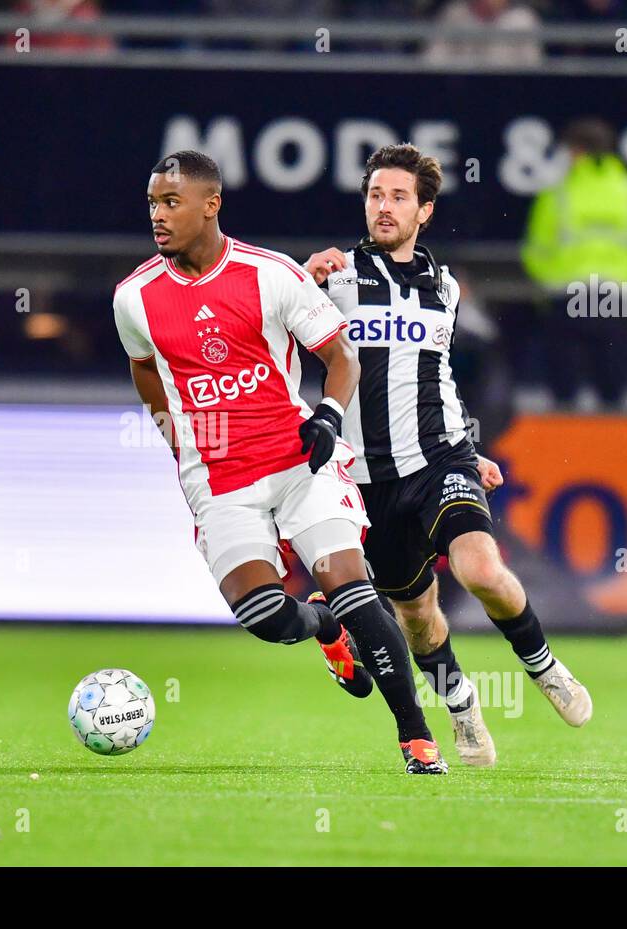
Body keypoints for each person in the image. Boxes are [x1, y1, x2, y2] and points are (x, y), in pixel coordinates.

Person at [114, 150, 447, 774]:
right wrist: (175, 435)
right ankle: (325, 633)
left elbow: (340, 356)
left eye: (170, 203)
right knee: (264, 617)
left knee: (349, 583)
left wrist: (326, 415)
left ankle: (415, 735)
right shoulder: (134, 297)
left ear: (211, 205)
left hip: (298, 458)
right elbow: (144, 371)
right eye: (153, 203)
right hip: (218, 479)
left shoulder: (270, 274)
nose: (157, 217)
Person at [303, 143, 593, 767]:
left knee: (483, 570)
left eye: (398, 196)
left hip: (439, 458)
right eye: (375, 194)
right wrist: (302, 278)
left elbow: (436, 375)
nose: (383, 207)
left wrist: (469, 445)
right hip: (366, 479)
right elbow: (274, 329)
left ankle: (544, 668)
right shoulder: (333, 277)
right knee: (417, 617)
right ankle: (461, 705)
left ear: (424, 211)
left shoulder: (446, 288)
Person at [521, 118, 627, 410]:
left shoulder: (557, 194)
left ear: (577, 152)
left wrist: (550, 283)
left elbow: (535, 251)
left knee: (563, 399)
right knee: (613, 399)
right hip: (618, 298)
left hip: (566, 298)